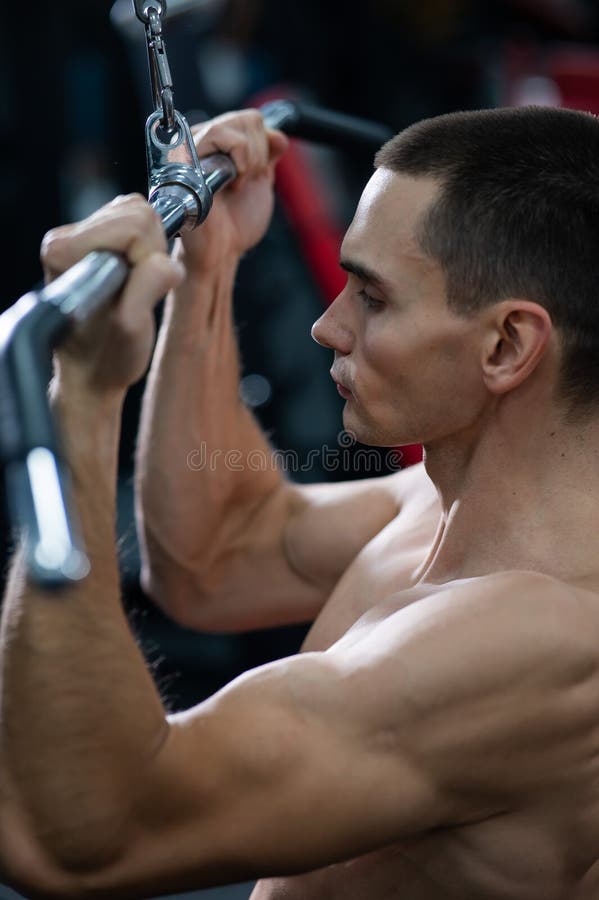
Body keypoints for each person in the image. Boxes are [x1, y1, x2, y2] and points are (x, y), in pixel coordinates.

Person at [2, 104, 599, 900]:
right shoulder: (433, 504)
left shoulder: (538, 642)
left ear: (505, 346)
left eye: (372, 299)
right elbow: (212, 556)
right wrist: (204, 270)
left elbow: (88, 832)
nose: (326, 326)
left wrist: (80, 395)